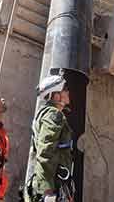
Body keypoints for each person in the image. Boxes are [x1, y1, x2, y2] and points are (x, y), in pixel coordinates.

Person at [25, 72, 75, 202]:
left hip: (55, 182)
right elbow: (45, 151)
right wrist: (47, 191)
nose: (68, 92)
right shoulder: (53, 115)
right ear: (56, 95)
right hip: (51, 186)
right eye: (65, 89)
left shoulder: (46, 114)